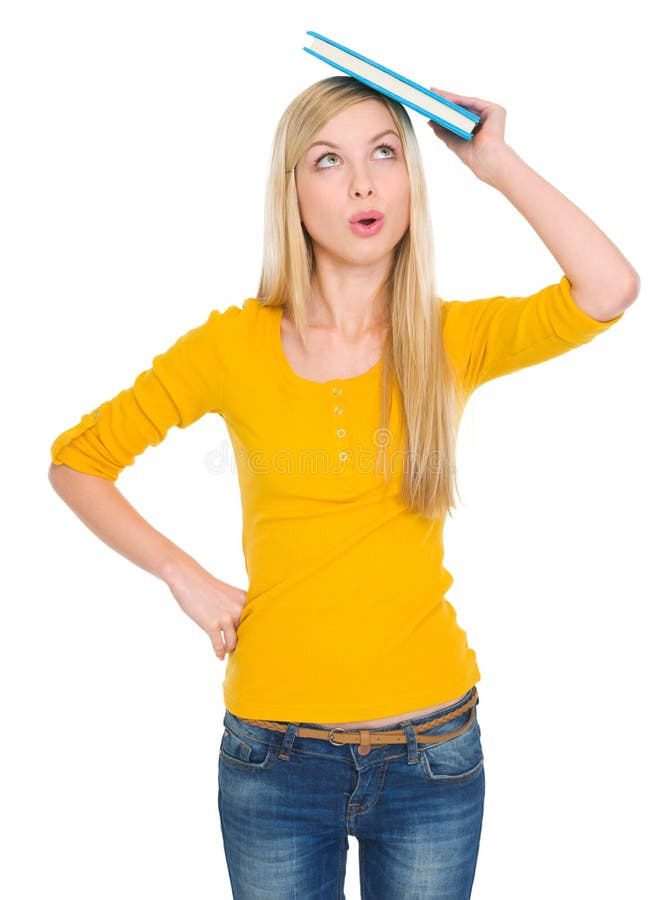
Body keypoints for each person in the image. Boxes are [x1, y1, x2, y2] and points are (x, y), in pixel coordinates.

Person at [48, 75, 638, 898]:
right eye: (329, 160)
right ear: (291, 190)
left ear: (408, 184)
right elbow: (78, 460)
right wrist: (185, 576)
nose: (363, 182)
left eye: (384, 154)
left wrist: (496, 162)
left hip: (433, 756)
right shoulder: (232, 346)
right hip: (273, 763)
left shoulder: (449, 337)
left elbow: (608, 291)